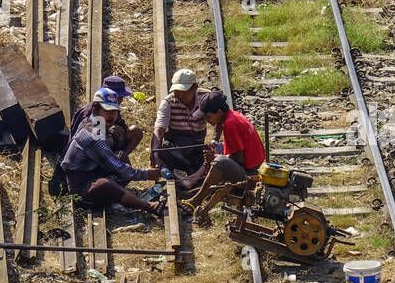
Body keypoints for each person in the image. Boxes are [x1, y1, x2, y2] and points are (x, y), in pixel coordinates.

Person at [61, 90, 164, 215]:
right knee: (105, 184)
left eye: (114, 111)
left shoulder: (96, 123)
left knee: (121, 158)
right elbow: (116, 166)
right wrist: (146, 174)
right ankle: (149, 206)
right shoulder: (92, 134)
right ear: (95, 110)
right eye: (108, 111)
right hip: (80, 188)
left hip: (94, 172)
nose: (112, 115)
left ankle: (117, 193)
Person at [181, 92, 266, 222]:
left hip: (251, 176)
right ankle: (197, 194)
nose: (207, 121)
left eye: (209, 117)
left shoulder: (231, 125)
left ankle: (195, 200)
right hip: (257, 168)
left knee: (219, 162)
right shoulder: (233, 115)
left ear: (219, 112)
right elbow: (220, 125)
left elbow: (239, 159)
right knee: (219, 158)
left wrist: (213, 157)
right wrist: (215, 146)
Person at [152, 68, 213, 186]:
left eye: (183, 91)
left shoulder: (206, 98)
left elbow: (220, 121)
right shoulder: (169, 102)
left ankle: (191, 175)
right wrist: (155, 155)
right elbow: (159, 130)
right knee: (162, 151)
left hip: (198, 148)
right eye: (176, 91)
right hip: (178, 148)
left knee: (208, 164)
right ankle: (178, 176)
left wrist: (214, 142)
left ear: (194, 88)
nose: (179, 95)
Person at [70, 76, 142, 162]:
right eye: (120, 97)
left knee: (135, 132)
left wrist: (118, 130)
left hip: (106, 141)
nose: (122, 100)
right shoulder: (91, 111)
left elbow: (122, 126)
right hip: (88, 151)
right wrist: (109, 130)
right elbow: (90, 136)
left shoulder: (112, 108)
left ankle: (120, 158)